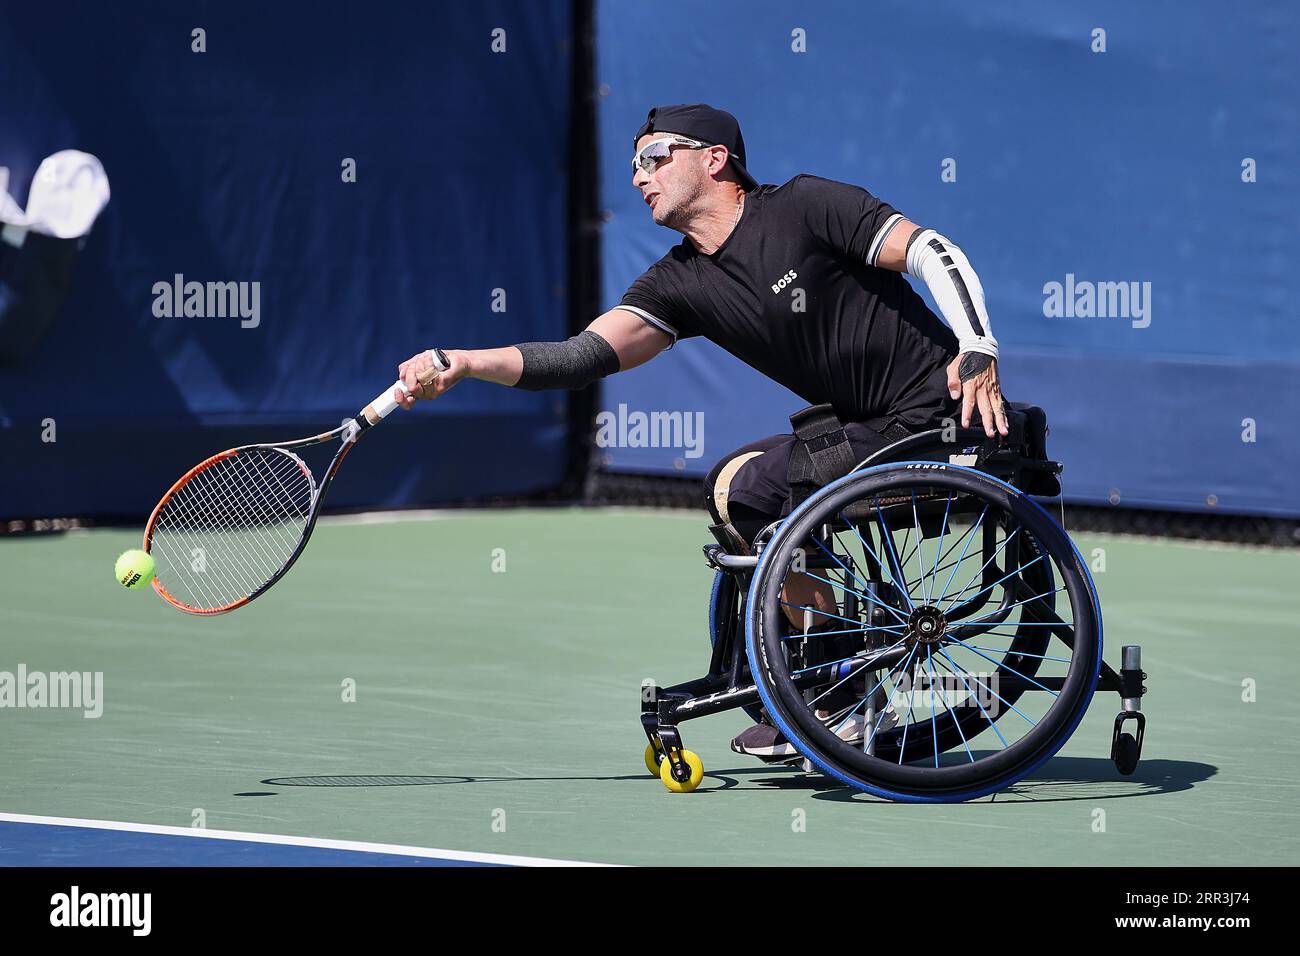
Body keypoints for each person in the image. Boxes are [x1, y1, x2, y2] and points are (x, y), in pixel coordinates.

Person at [392, 103, 1010, 760]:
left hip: (944, 421)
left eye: (653, 157)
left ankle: (838, 691)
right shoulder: (680, 283)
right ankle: (823, 674)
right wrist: (465, 363)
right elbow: (580, 357)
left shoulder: (803, 206)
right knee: (734, 483)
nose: (638, 176)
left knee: (752, 492)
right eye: (633, 164)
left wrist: (977, 346)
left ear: (715, 159)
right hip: (867, 433)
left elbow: (927, 248)